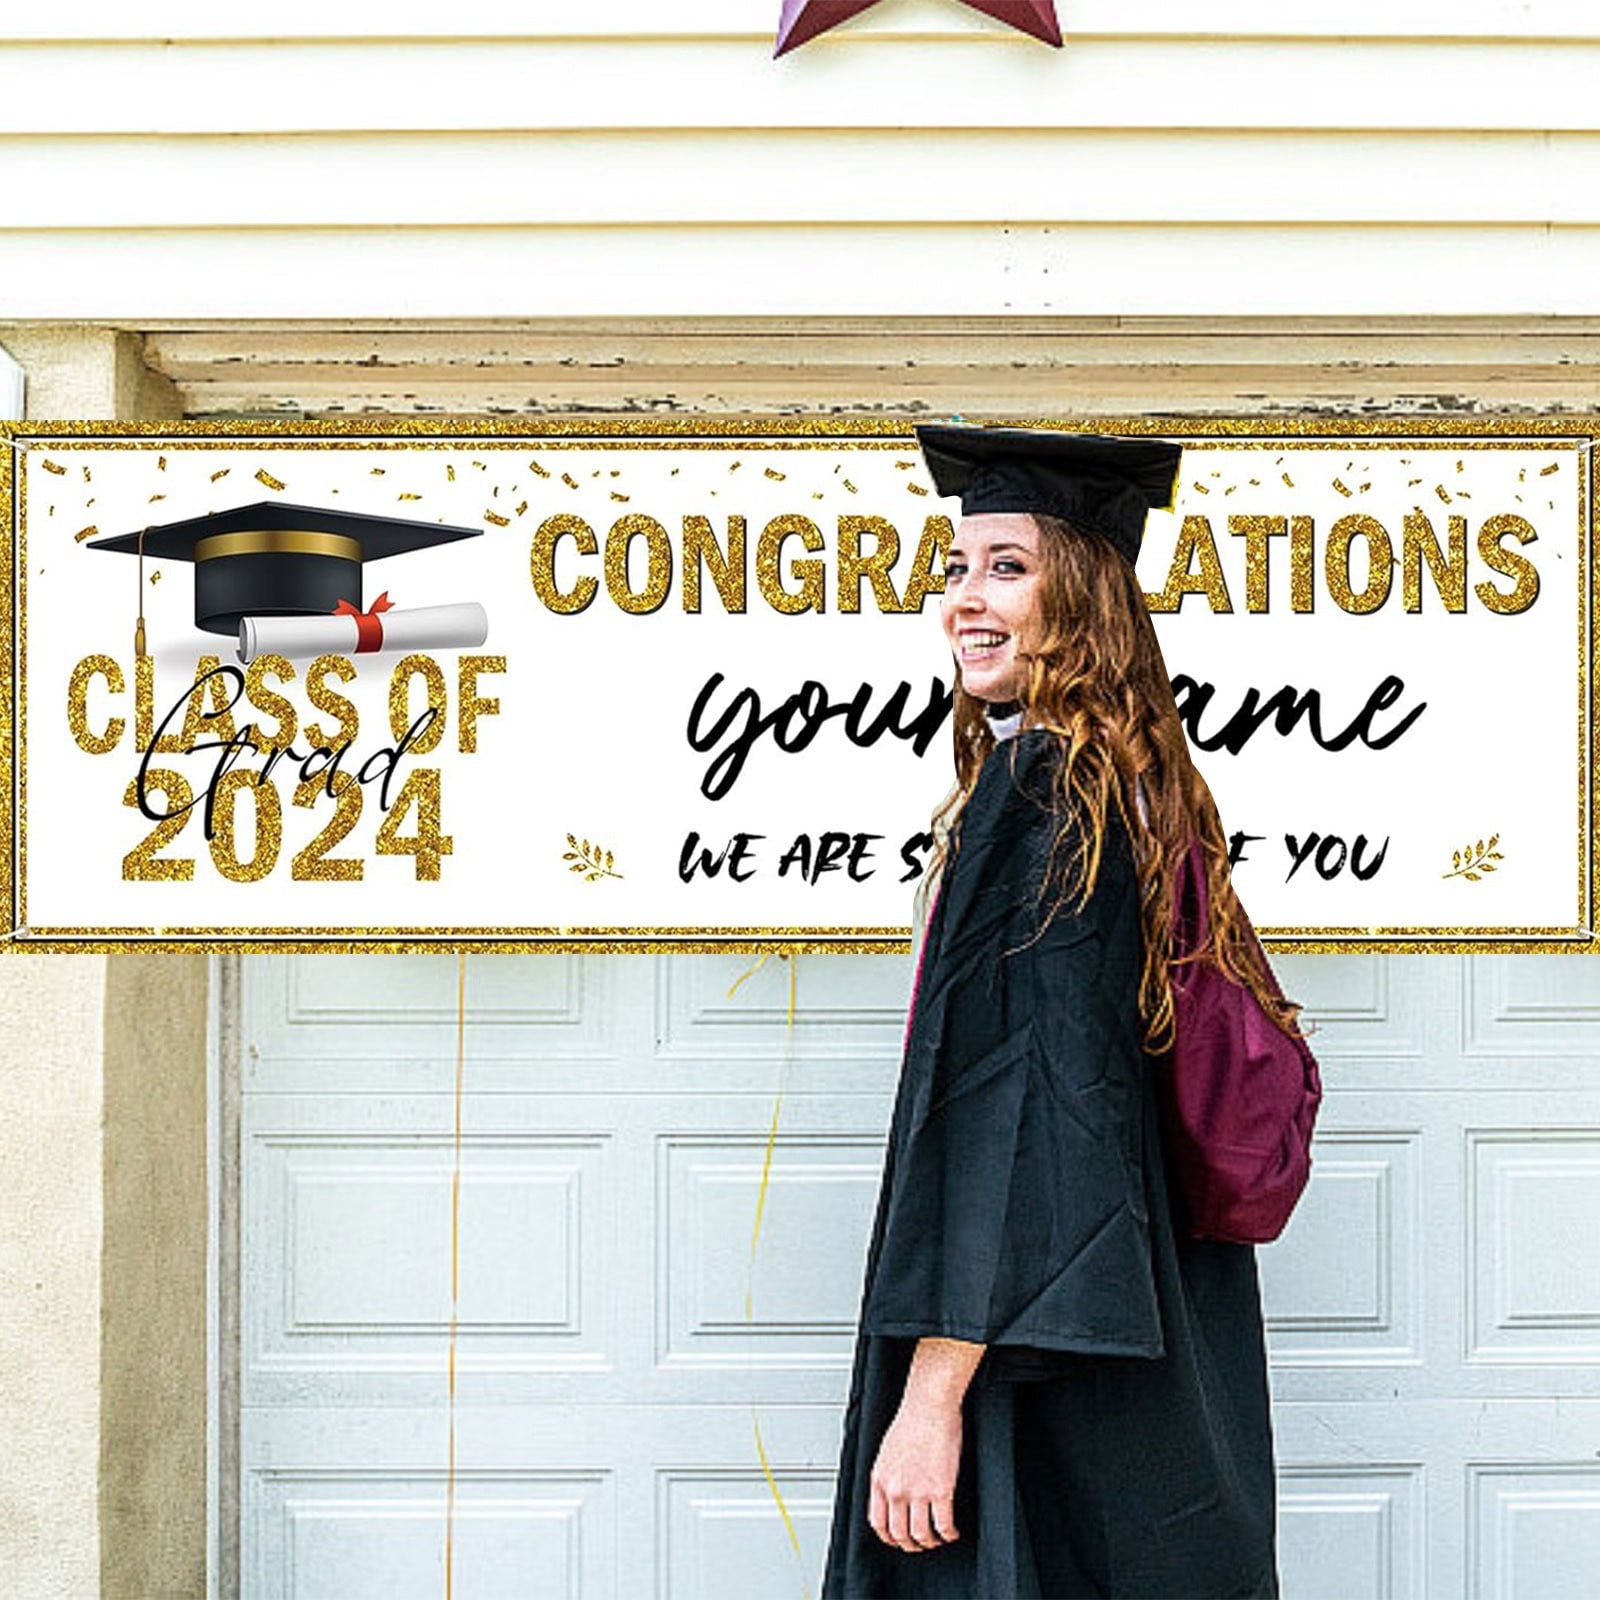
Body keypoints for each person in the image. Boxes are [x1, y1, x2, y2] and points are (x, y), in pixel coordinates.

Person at [821, 424, 1307, 1600]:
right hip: (1144, 1339)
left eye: (1007, 565)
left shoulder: (1050, 800)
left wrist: (929, 1399)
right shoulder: (1142, 789)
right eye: (956, 567)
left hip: (1039, 1364)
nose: (965, 600)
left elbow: (1023, 1120)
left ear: (1080, 597)